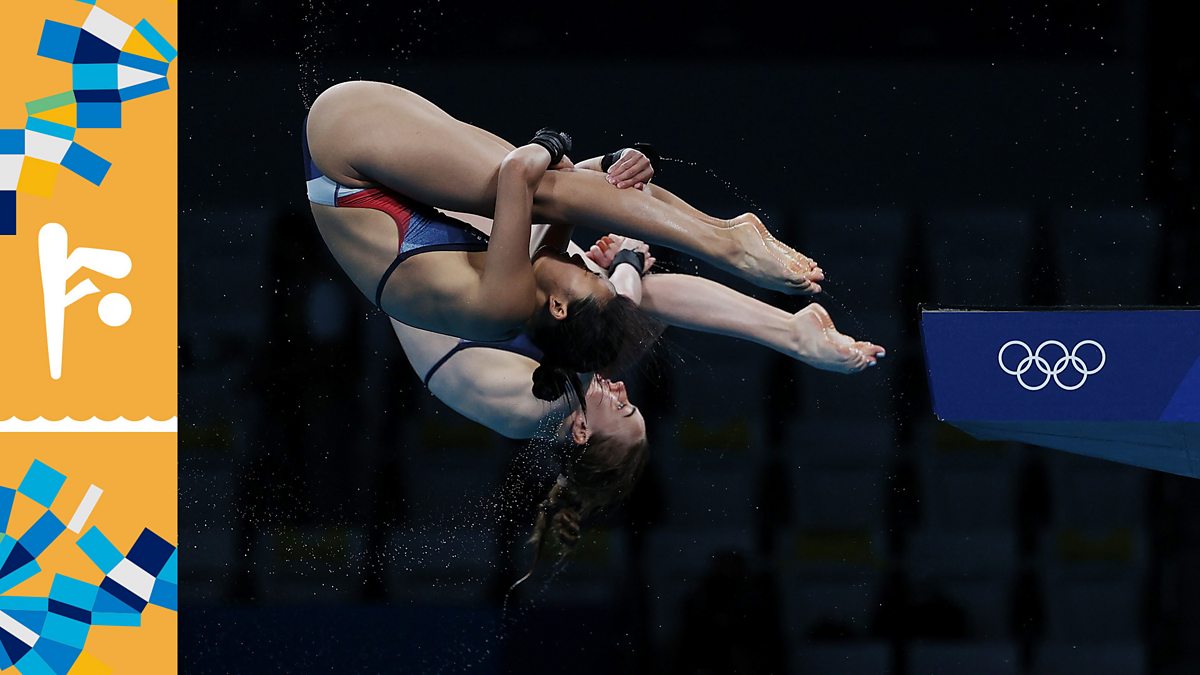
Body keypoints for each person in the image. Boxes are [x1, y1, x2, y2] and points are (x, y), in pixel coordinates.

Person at [392, 222, 884, 573]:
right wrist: (611, 274)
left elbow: (607, 315)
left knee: (618, 296)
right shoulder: (563, 398)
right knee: (634, 303)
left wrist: (621, 266)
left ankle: (780, 321)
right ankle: (788, 328)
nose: (624, 391)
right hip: (462, 259)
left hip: (418, 251)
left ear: (581, 432)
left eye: (623, 409)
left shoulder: (530, 410)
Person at [304, 82, 826, 392]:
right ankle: (720, 235)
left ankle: (724, 243)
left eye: (585, 275)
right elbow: (567, 198)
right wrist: (617, 164)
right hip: (360, 156)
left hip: (346, 151)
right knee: (554, 194)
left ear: (558, 307)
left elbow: (521, 172)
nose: (580, 261)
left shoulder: (503, 305)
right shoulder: (528, 300)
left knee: (538, 192)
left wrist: (551, 142)